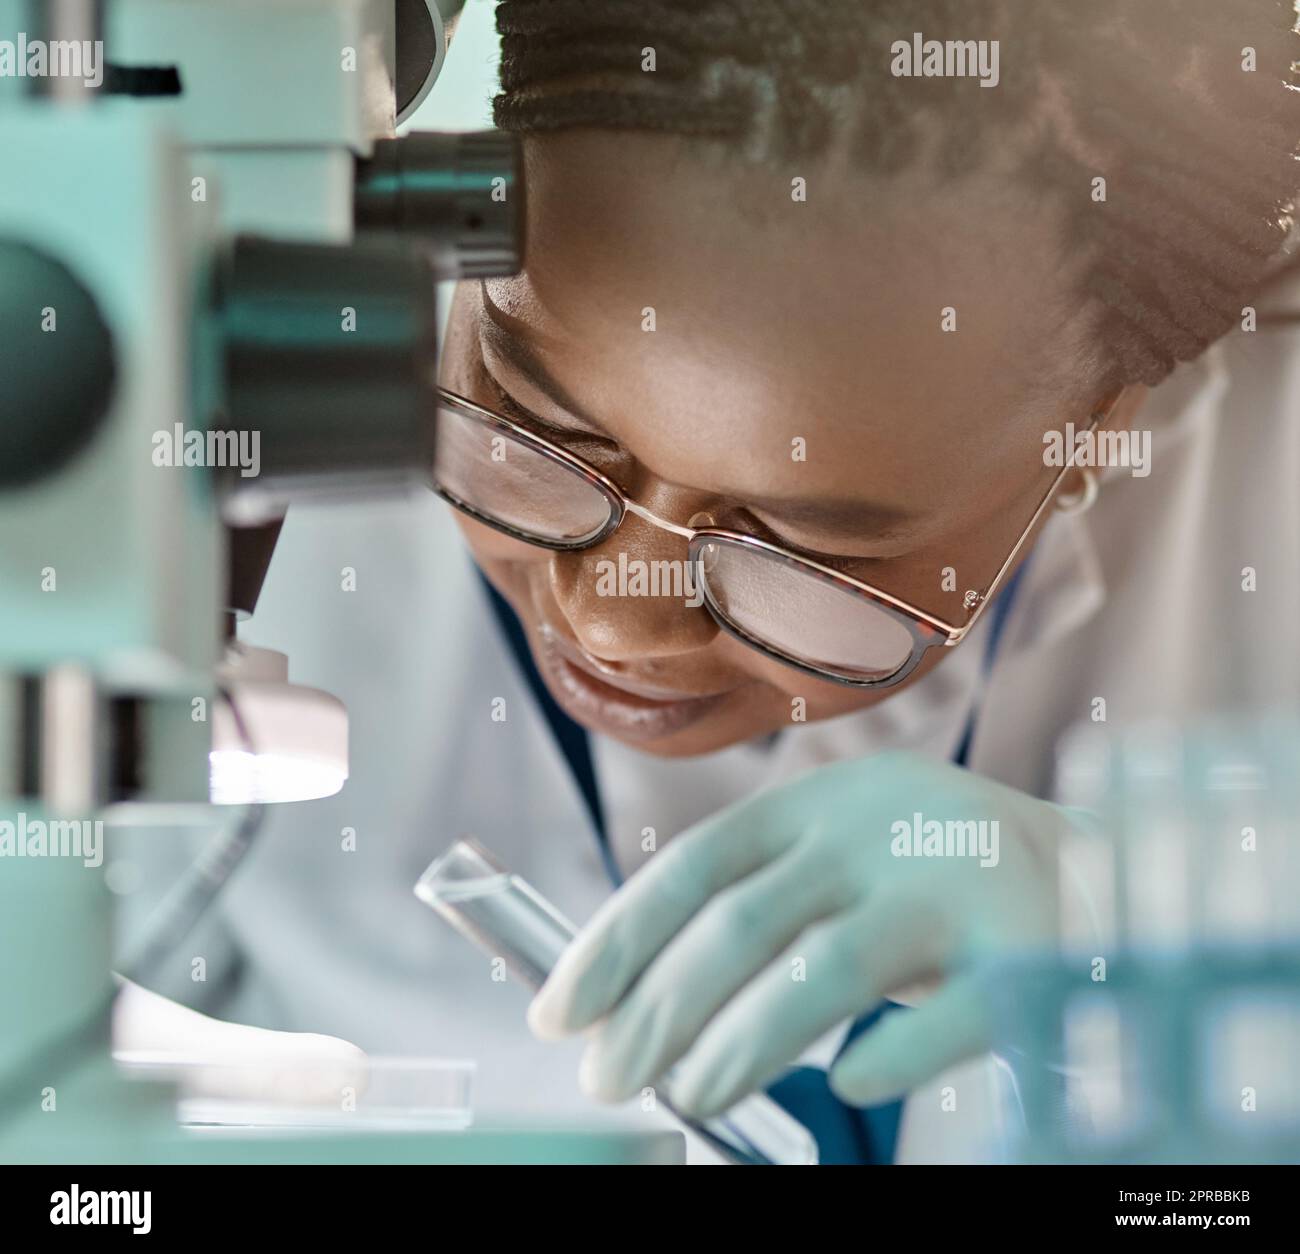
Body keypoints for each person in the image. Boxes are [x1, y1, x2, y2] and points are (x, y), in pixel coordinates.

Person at [120, 1, 1300, 1163]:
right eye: (532, 424)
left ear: (1097, 434)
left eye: (804, 545)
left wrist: (1148, 919)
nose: (609, 620)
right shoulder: (203, 418)